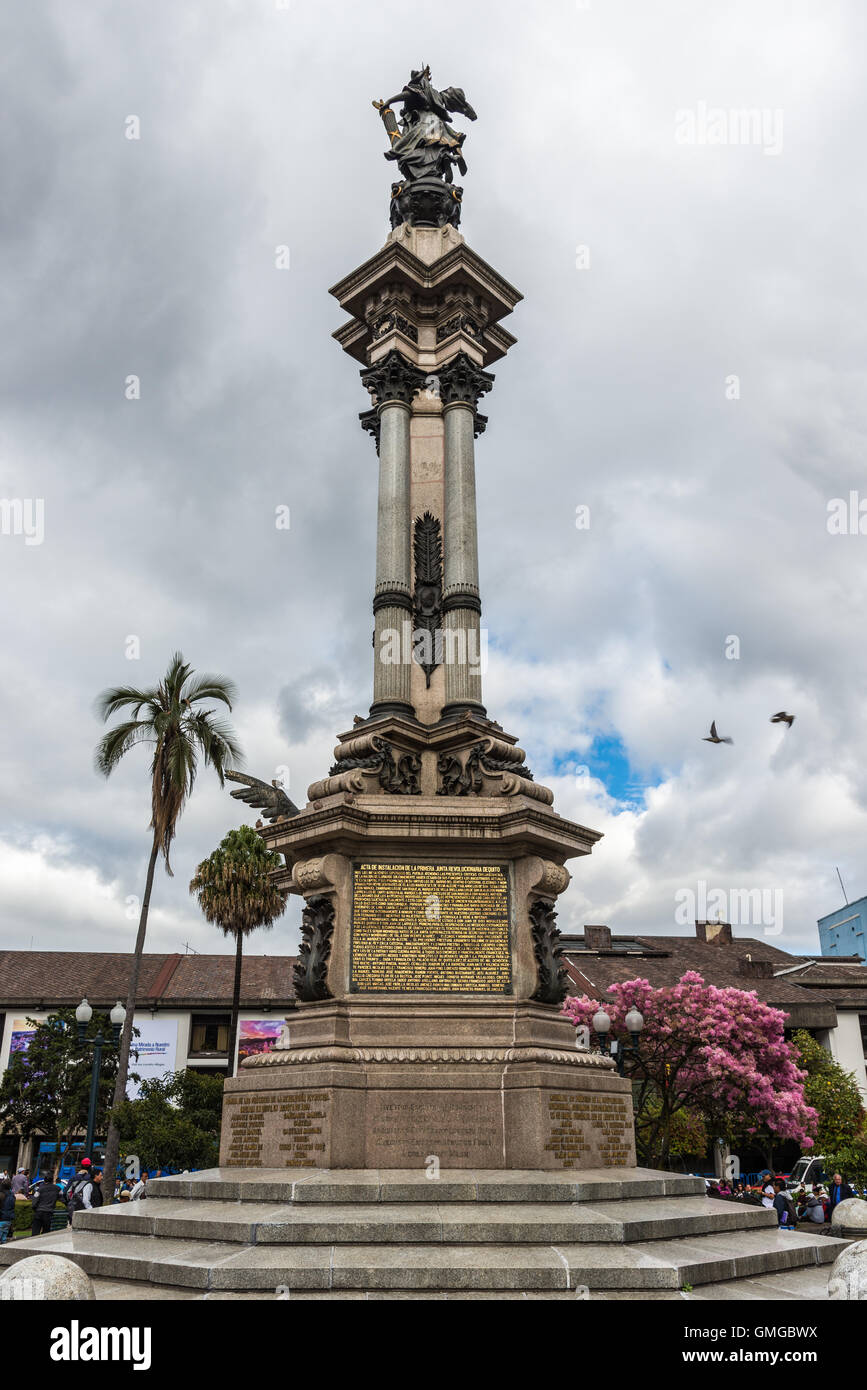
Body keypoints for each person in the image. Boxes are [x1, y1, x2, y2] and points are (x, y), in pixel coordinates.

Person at [65, 1158, 97, 1224]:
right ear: (90, 1167)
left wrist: (68, 1201)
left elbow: (65, 1192)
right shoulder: (91, 1178)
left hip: (74, 1206)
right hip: (86, 1208)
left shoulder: (73, 1177)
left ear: (81, 1166)